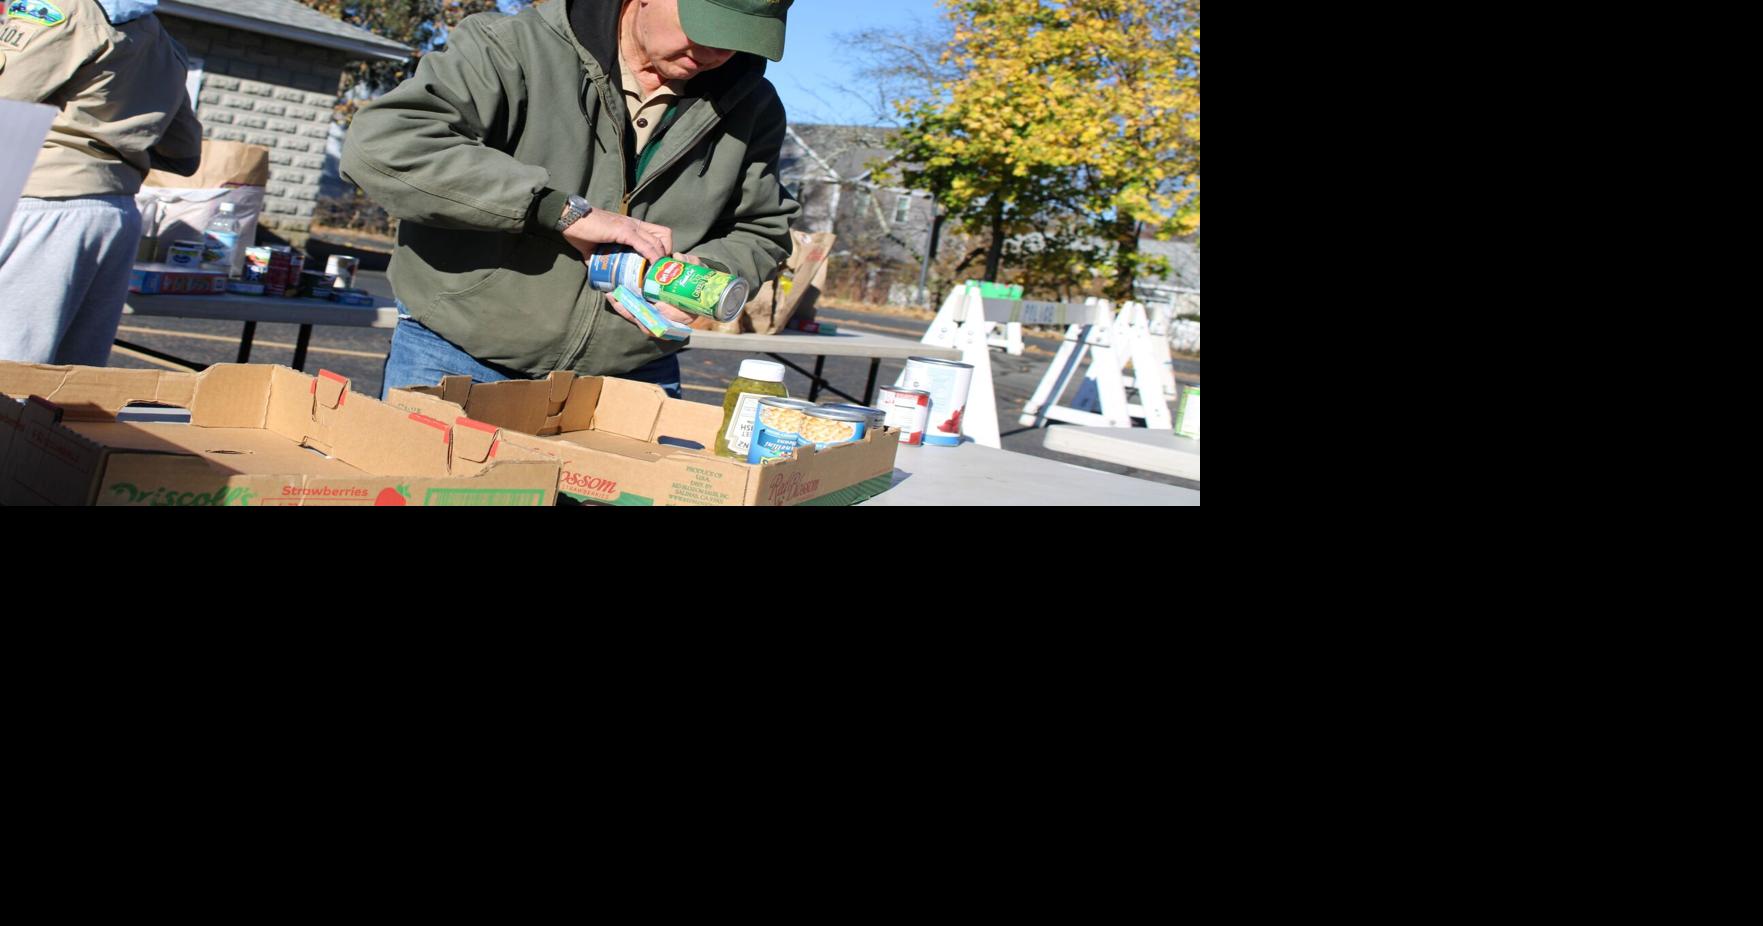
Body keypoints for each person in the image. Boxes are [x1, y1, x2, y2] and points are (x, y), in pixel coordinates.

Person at [341, 0, 798, 400]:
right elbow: (385, 146)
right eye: (707, 26)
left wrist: (707, 279)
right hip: (455, 358)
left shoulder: (752, 105)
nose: (717, 52)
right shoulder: (512, 45)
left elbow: (761, 229)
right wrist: (557, 210)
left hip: (631, 376)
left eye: (740, 38)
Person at [0, 0, 201, 365]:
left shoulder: (62, 9)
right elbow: (184, 151)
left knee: (13, 373)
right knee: (66, 387)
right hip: (114, 211)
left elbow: (7, 93)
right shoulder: (162, 41)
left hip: (45, 200)